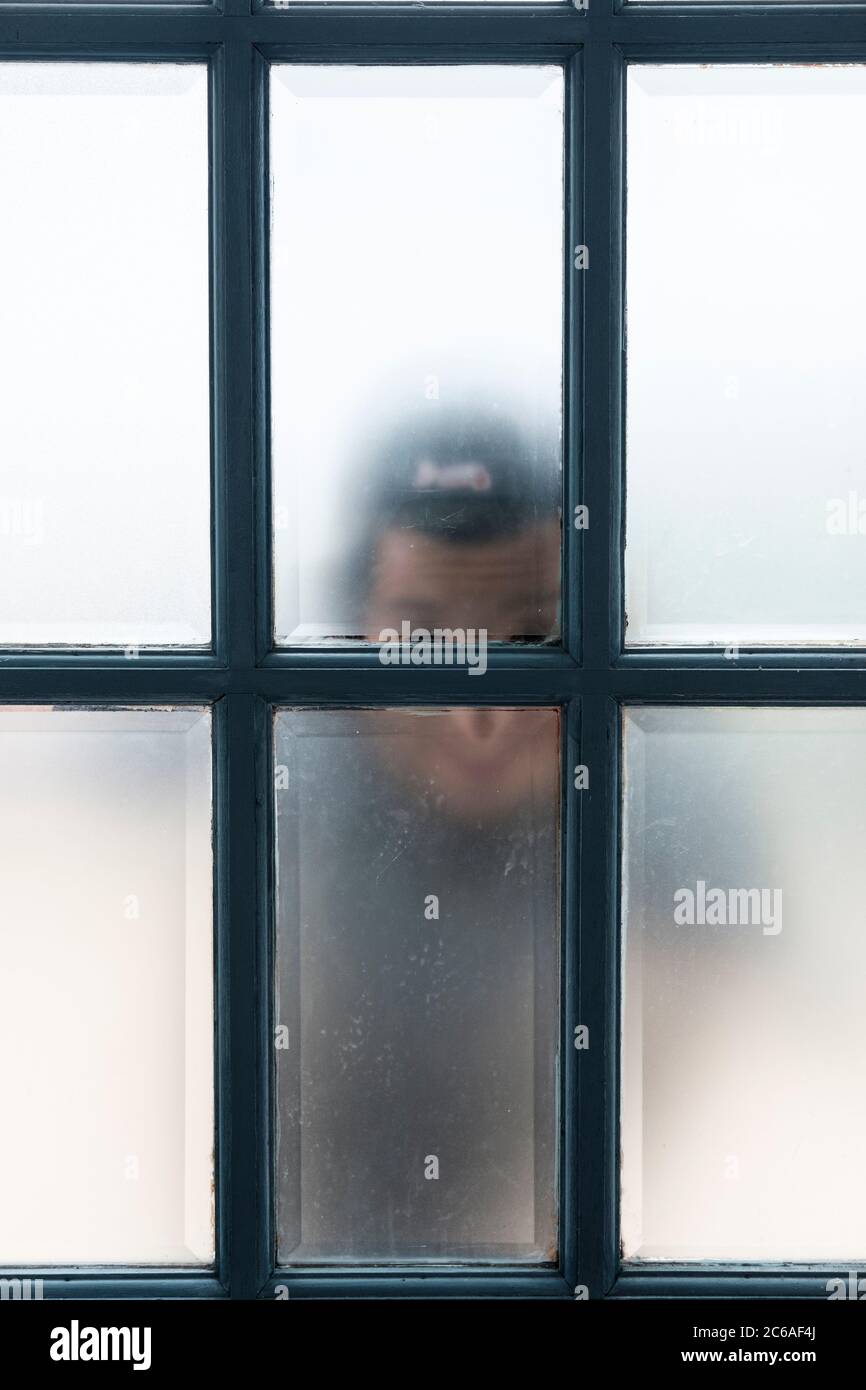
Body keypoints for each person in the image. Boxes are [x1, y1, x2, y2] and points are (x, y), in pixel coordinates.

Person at [275, 405, 562, 1262]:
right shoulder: (276, 799)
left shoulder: (665, 816)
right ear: (351, 631)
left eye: (529, 640)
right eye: (426, 642)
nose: (478, 719)